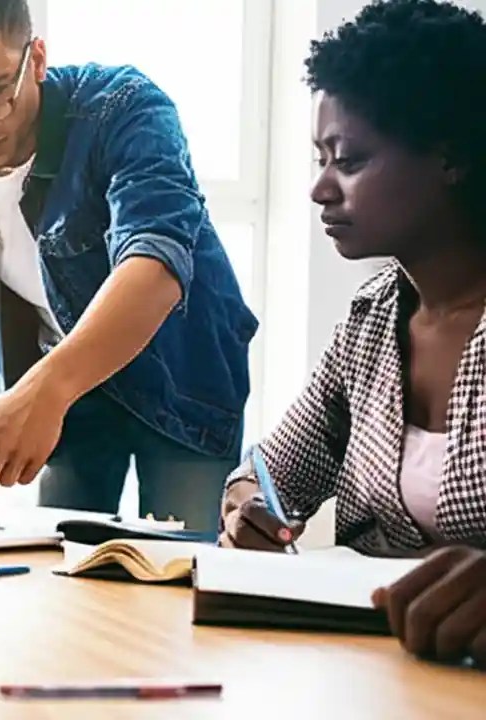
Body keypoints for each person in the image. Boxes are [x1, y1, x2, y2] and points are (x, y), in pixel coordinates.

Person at [0, 0, 257, 532]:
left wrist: (44, 391)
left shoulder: (124, 108)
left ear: (37, 59)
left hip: (181, 379)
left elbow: (154, 265)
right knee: (61, 559)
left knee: (181, 566)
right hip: (69, 394)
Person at [219, 0, 486, 667]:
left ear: (451, 158)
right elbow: (265, 477)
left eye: (350, 160)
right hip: (385, 677)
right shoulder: (371, 323)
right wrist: (249, 509)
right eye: (319, 159)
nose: (319, 190)